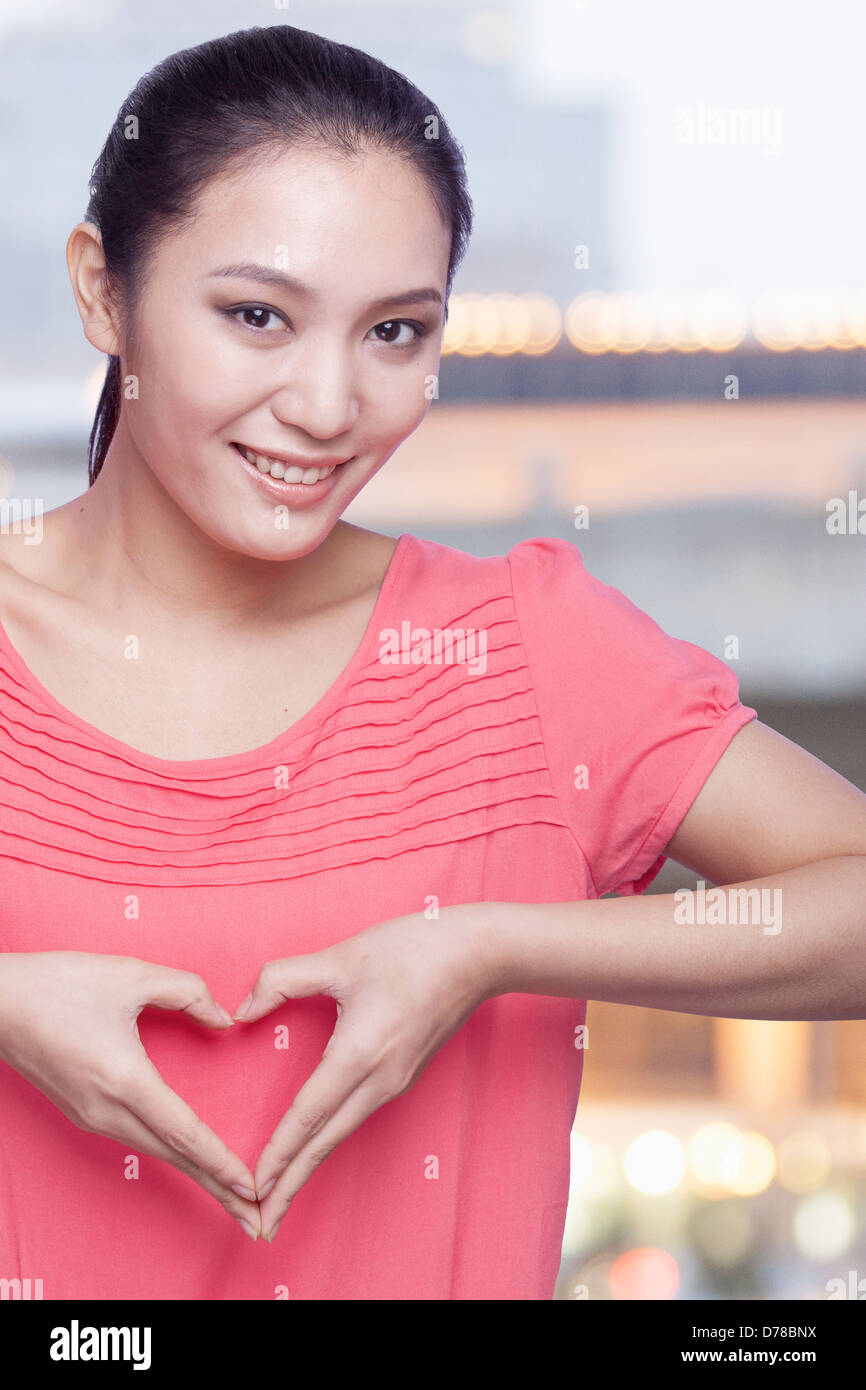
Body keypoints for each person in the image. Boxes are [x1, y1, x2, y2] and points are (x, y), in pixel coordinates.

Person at [1, 24, 865, 1303]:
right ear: (102, 289)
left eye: (394, 334)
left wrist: (489, 946)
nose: (328, 403)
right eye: (256, 316)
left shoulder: (522, 653)